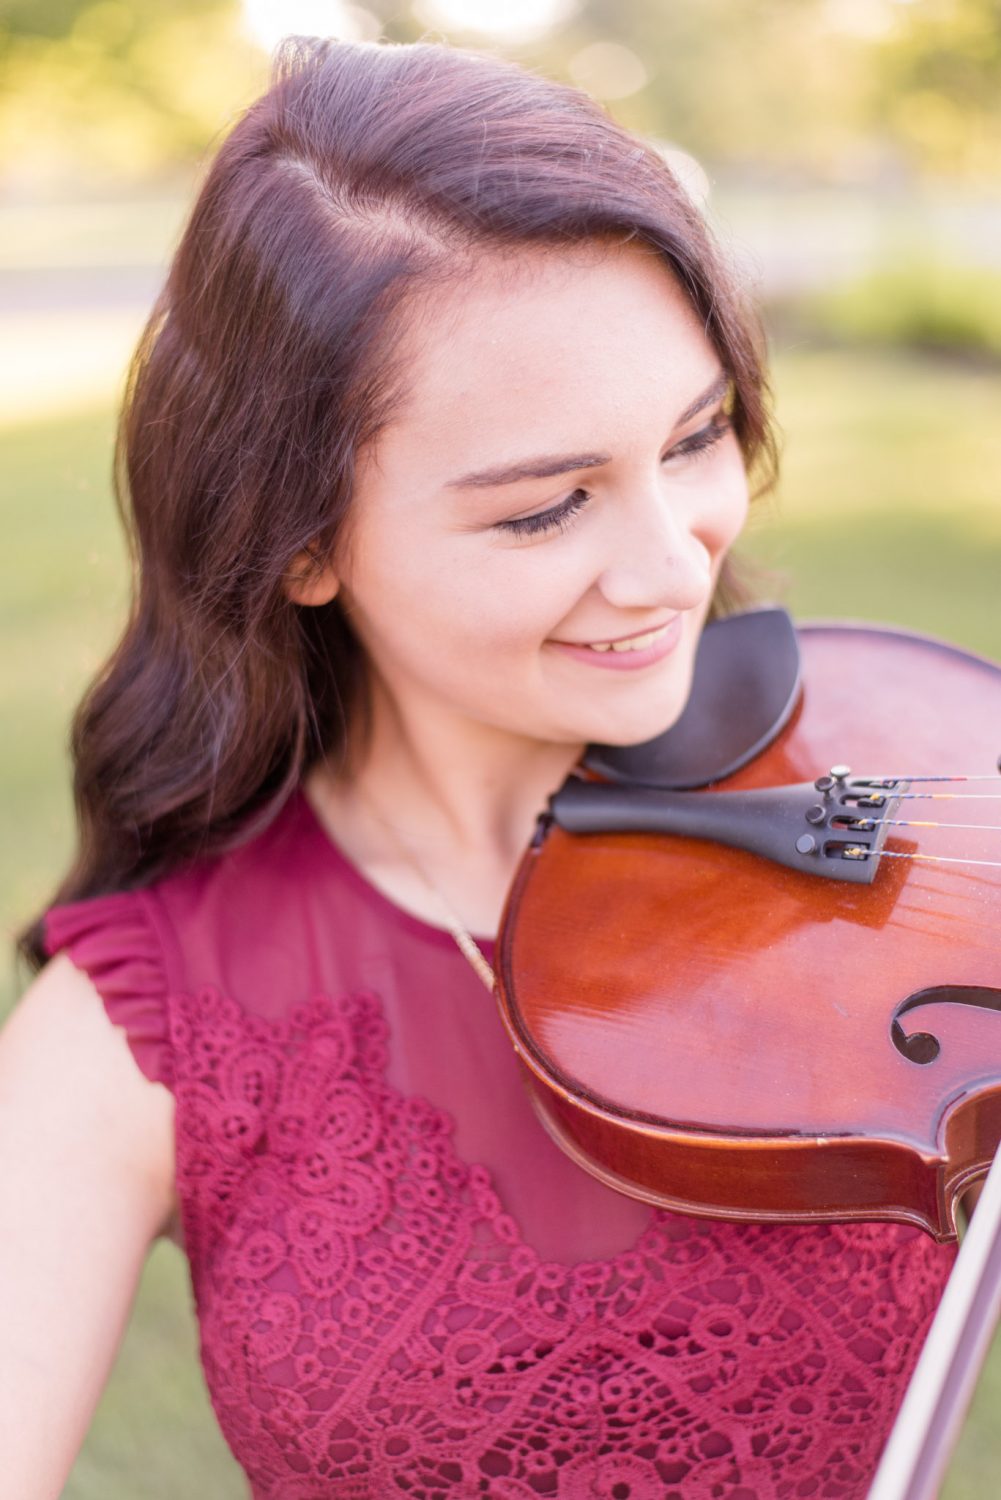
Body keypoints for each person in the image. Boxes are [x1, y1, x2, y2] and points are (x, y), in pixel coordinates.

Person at [1, 36, 955, 1500]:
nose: (666, 566)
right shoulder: (133, 1033)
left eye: (694, 437)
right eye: (542, 510)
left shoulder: (905, 812)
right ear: (301, 541)